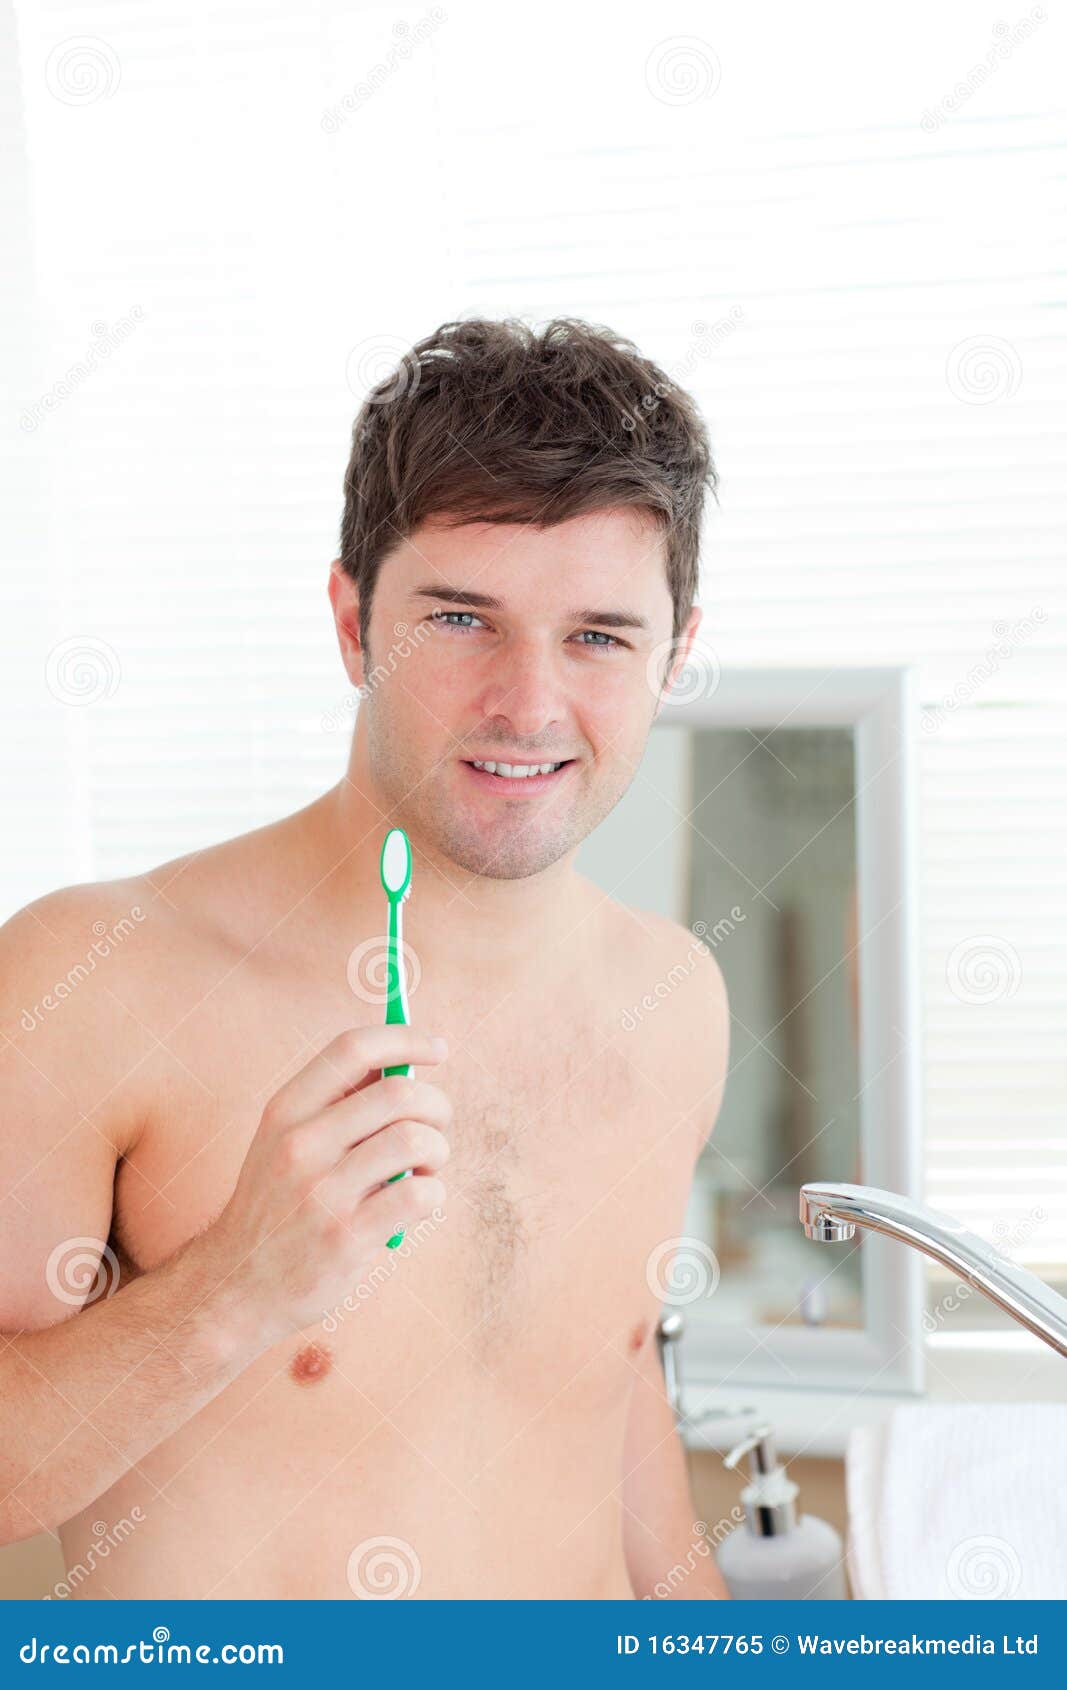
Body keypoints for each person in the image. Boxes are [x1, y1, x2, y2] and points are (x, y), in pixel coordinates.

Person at [0, 317, 730, 1599]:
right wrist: (235, 1286)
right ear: (352, 623)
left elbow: (606, 1399)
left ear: (673, 651)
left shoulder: (674, 1000)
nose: (528, 702)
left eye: (599, 636)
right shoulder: (93, 980)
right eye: (460, 617)